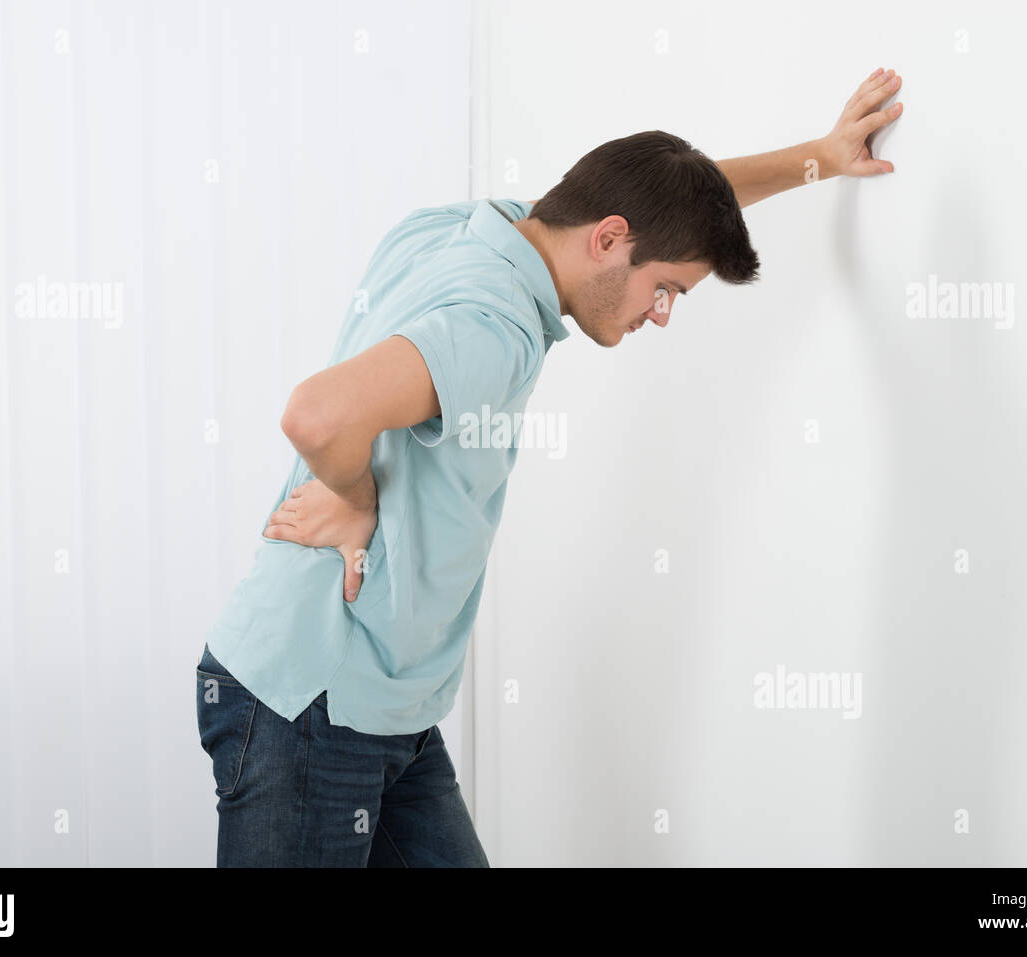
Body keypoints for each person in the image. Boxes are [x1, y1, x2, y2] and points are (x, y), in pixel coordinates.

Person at [196, 68, 905, 867]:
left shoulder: (474, 227)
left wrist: (820, 157)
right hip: (312, 703)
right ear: (607, 239)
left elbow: (662, 204)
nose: (661, 314)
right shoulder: (496, 326)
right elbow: (317, 413)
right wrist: (351, 493)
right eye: (665, 288)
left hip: (386, 709)